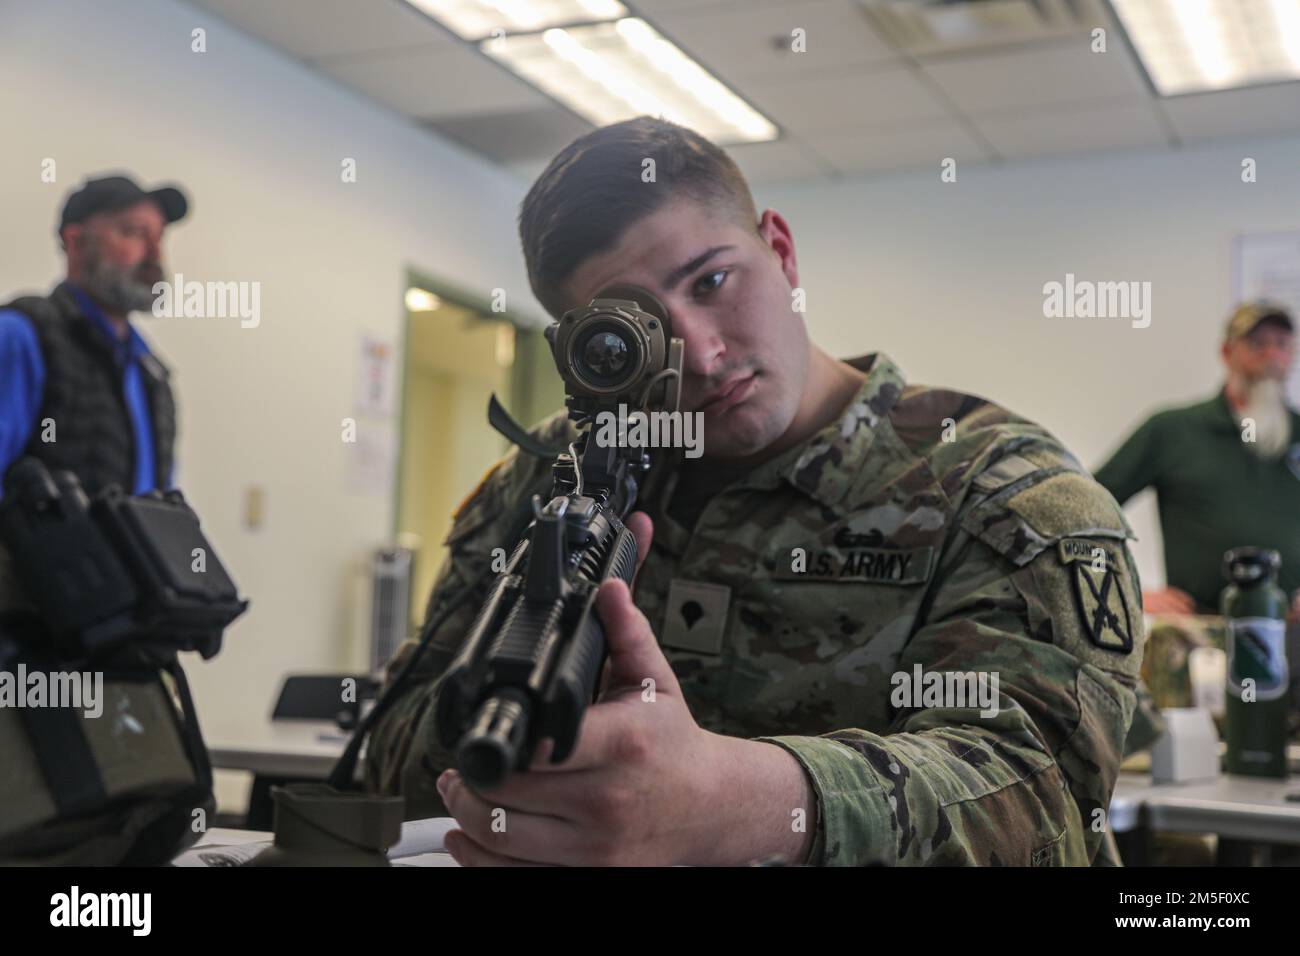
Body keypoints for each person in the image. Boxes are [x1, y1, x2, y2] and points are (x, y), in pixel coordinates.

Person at [365, 117, 1147, 866]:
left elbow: (1045, 802)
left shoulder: (1002, 492)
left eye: (712, 280)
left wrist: (744, 805)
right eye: (633, 333)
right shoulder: (554, 485)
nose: (701, 354)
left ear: (780, 250)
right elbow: (387, 752)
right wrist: (520, 736)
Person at [1094, 303, 1300, 616]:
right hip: (1199, 637)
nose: (1271, 355)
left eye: (1282, 344)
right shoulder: (1173, 430)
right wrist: (1122, 588)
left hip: (1291, 635)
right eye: (1257, 343)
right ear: (1227, 352)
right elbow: (1083, 513)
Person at [0, 174, 188, 497]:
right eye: (133, 233)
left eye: (159, 237)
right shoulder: (21, 337)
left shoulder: (151, 376)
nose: (154, 254)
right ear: (76, 242)